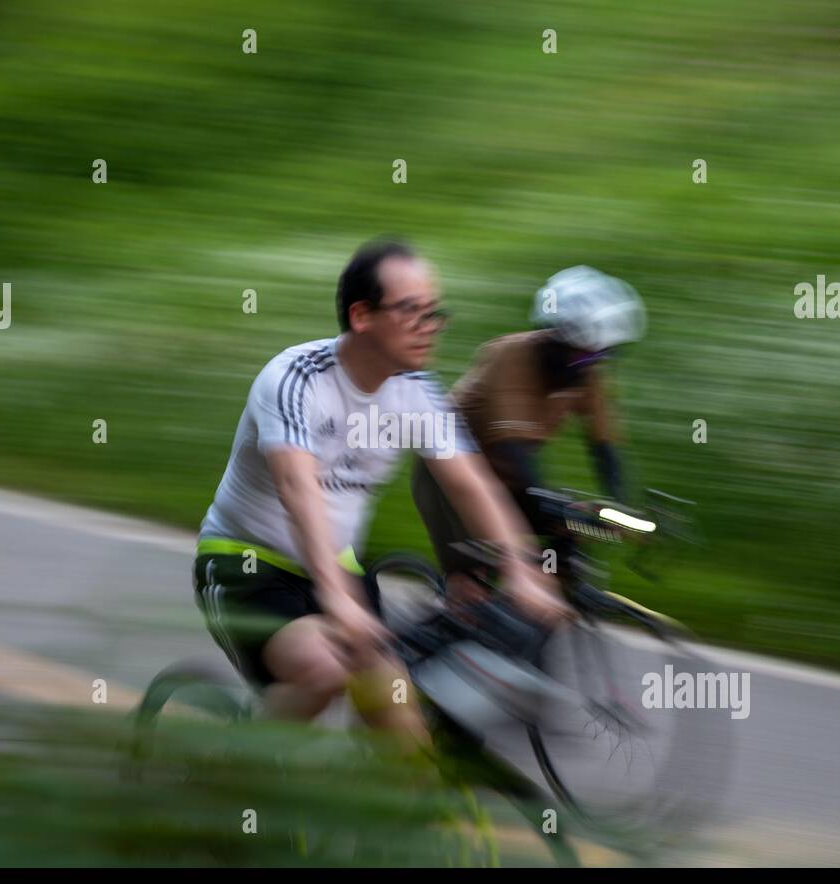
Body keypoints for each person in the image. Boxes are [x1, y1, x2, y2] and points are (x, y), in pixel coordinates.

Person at [194, 240, 568, 751]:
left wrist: (521, 567)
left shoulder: (416, 391)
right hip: (247, 567)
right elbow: (297, 488)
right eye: (412, 310)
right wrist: (336, 598)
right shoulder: (295, 378)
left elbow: (469, 482)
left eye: (435, 312)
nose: (429, 324)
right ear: (362, 315)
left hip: (338, 569)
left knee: (401, 732)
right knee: (323, 671)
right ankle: (228, 771)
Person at [411, 265, 646, 603]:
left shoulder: (588, 374)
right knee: (473, 587)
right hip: (449, 475)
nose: (591, 365)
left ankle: (545, 607)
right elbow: (516, 455)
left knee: (576, 526)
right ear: (556, 338)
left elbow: (604, 446)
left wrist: (625, 510)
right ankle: (461, 608)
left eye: (601, 355)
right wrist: (554, 509)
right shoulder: (511, 357)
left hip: (504, 476)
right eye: (583, 355)